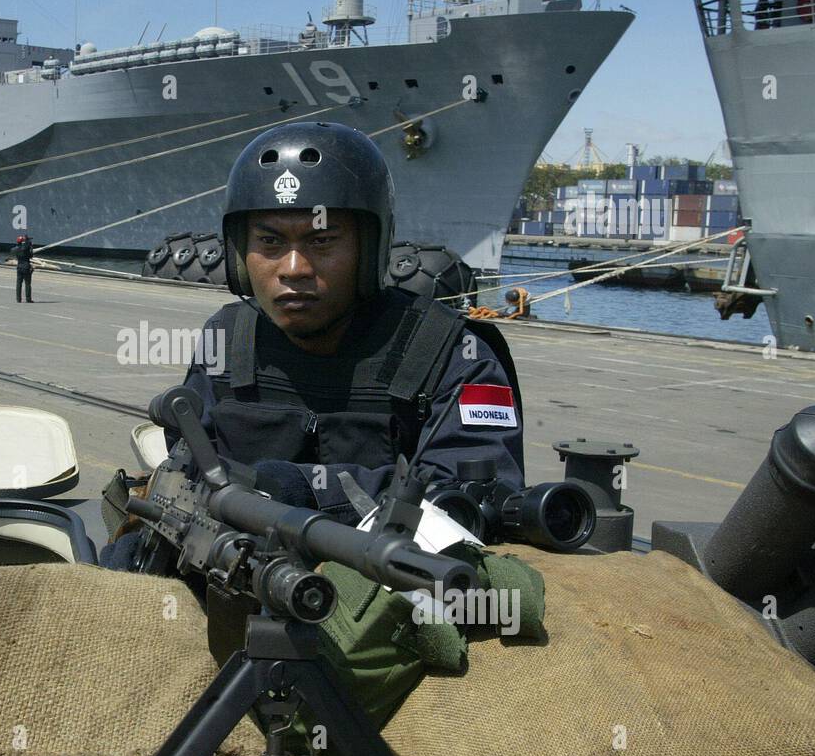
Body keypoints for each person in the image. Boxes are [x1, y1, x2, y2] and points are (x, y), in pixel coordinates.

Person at [101, 121, 524, 568]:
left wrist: (304, 489)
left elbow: (475, 500)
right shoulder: (228, 338)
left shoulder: (449, 353)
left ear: (370, 248)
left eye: (322, 241)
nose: (294, 268)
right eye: (269, 242)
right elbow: (189, 472)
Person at [12, 233, 34, 303]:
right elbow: (31, 255)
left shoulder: (15, 249)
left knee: (18, 283)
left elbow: (14, 250)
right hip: (26, 267)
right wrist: (29, 245)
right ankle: (28, 299)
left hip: (19, 267)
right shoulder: (25, 249)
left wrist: (26, 241)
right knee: (27, 284)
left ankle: (18, 299)